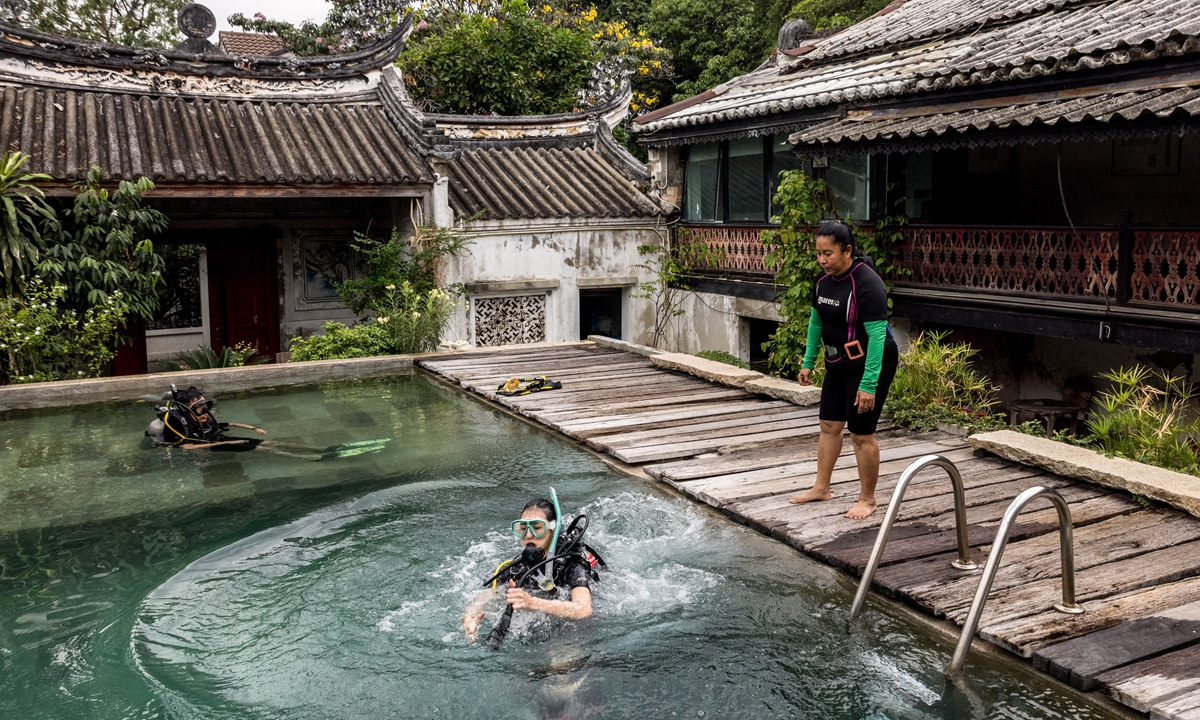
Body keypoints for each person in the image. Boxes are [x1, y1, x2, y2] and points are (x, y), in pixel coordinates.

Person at [789, 220, 899, 519]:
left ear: (847, 250)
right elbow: (816, 322)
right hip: (837, 361)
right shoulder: (822, 282)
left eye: (829, 254)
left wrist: (869, 384)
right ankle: (821, 488)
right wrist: (808, 361)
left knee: (861, 433)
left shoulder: (867, 284)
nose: (823, 260)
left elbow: (877, 337)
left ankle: (868, 499)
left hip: (869, 362)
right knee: (828, 424)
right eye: (819, 254)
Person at [463, 493, 601, 644]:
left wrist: (534, 603)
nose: (528, 535)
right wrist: (470, 618)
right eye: (522, 528)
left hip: (578, 624)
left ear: (552, 530)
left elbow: (583, 609)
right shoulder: (518, 566)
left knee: (561, 662)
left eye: (537, 528)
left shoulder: (571, 564)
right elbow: (485, 594)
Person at [145, 385, 389, 460]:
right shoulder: (181, 425)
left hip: (221, 439)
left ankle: (321, 449)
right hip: (218, 446)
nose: (205, 411)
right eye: (199, 407)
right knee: (269, 449)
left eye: (205, 406)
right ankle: (315, 458)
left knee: (271, 441)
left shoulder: (204, 418)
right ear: (188, 410)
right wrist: (223, 445)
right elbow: (186, 446)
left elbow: (225, 423)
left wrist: (251, 428)